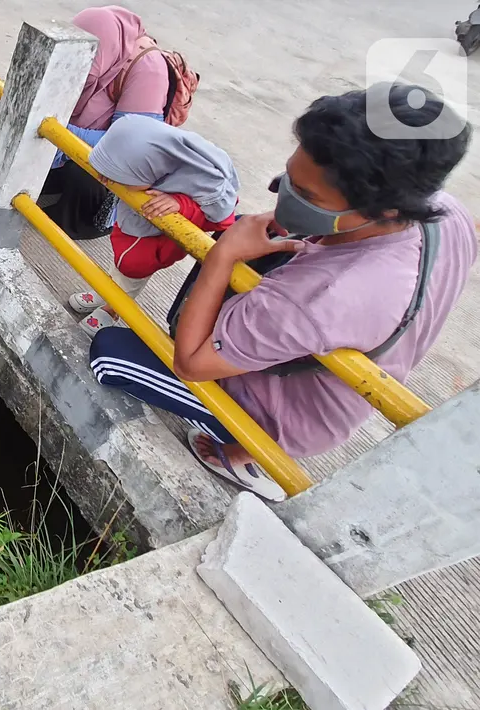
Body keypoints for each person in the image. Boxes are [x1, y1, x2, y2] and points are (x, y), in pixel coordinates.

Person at [88, 84, 475, 502]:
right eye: (290, 175)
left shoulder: (322, 297)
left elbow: (191, 363)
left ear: (383, 209)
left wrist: (223, 255)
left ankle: (243, 451)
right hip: (327, 386)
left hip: (282, 415)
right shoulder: (446, 214)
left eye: (304, 195)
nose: (282, 192)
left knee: (110, 352)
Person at [67, 115, 240, 335]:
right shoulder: (156, 155)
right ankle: (107, 290)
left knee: (131, 275)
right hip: (133, 227)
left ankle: (113, 308)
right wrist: (109, 170)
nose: (108, 178)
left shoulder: (205, 180)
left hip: (153, 243)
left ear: (153, 169)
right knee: (119, 265)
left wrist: (181, 204)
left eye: (119, 174)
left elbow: (221, 216)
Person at [40, 6, 171, 238]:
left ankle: (83, 220)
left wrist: (60, 132)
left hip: (116, 161)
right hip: (73, 139)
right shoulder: (82, 48)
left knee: (86, 173)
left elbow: (134, 143)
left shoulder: (149, 69)